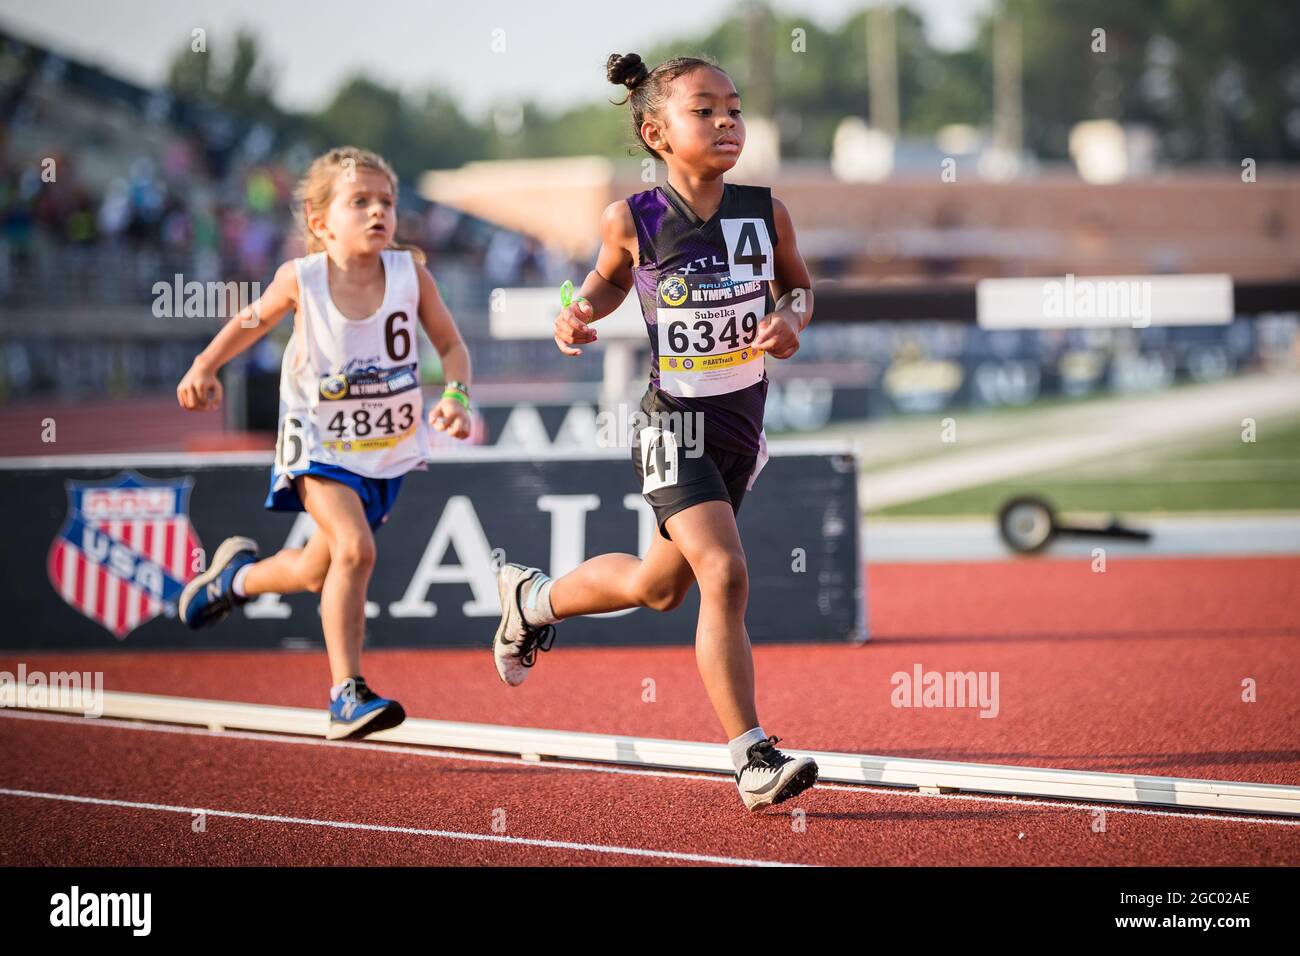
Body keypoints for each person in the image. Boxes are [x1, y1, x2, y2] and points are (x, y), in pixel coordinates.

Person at [492, 54, 818, 810]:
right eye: (705, 110)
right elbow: (604, 281)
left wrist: (792, 316)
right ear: (656, 132)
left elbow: (798, 284)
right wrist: (575, 313)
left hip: (743, 426)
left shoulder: (764, 212)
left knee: (658, 587)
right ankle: (752, 757)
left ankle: (532, 602)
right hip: (674, 424)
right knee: (726, 575)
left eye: (734, 108)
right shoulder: (633, 219)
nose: (727, 122)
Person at [176, 146, 473, 740]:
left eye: (386, 201)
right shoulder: (302, 279)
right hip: (316, 442)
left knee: (319, 568)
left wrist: (456, 397)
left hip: (384, 452)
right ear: (319, 221)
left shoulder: (411, 275)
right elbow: (249, 323)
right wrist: (205, 365)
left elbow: (452, 348)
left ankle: (231, 580)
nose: (377, 212)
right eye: (359, 201)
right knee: (356, 551)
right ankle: (346, 694)